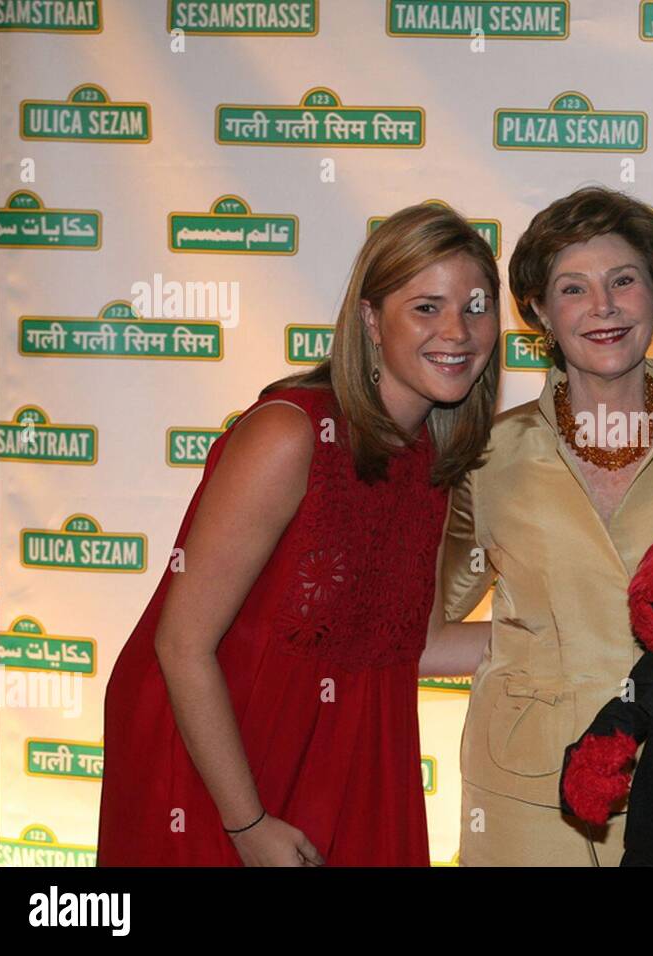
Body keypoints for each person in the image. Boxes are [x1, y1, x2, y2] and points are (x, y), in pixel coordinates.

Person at [97, 202, 501, 866]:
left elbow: (416, 646)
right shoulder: (289, 433)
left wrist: (572, 633)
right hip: (217, 766)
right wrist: (246, 824)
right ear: (371, 320)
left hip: (344, 756)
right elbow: (180, 643)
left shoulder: (430, 462)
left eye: (476, 306)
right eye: (426, 307)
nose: (457, 330)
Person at [435, 185, 653, 865]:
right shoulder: (486, 457)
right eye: (573, 288)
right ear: (540, 310)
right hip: (523, 788)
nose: (602, 307)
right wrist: (537, 647)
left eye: (623, 281)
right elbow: (424, 635)